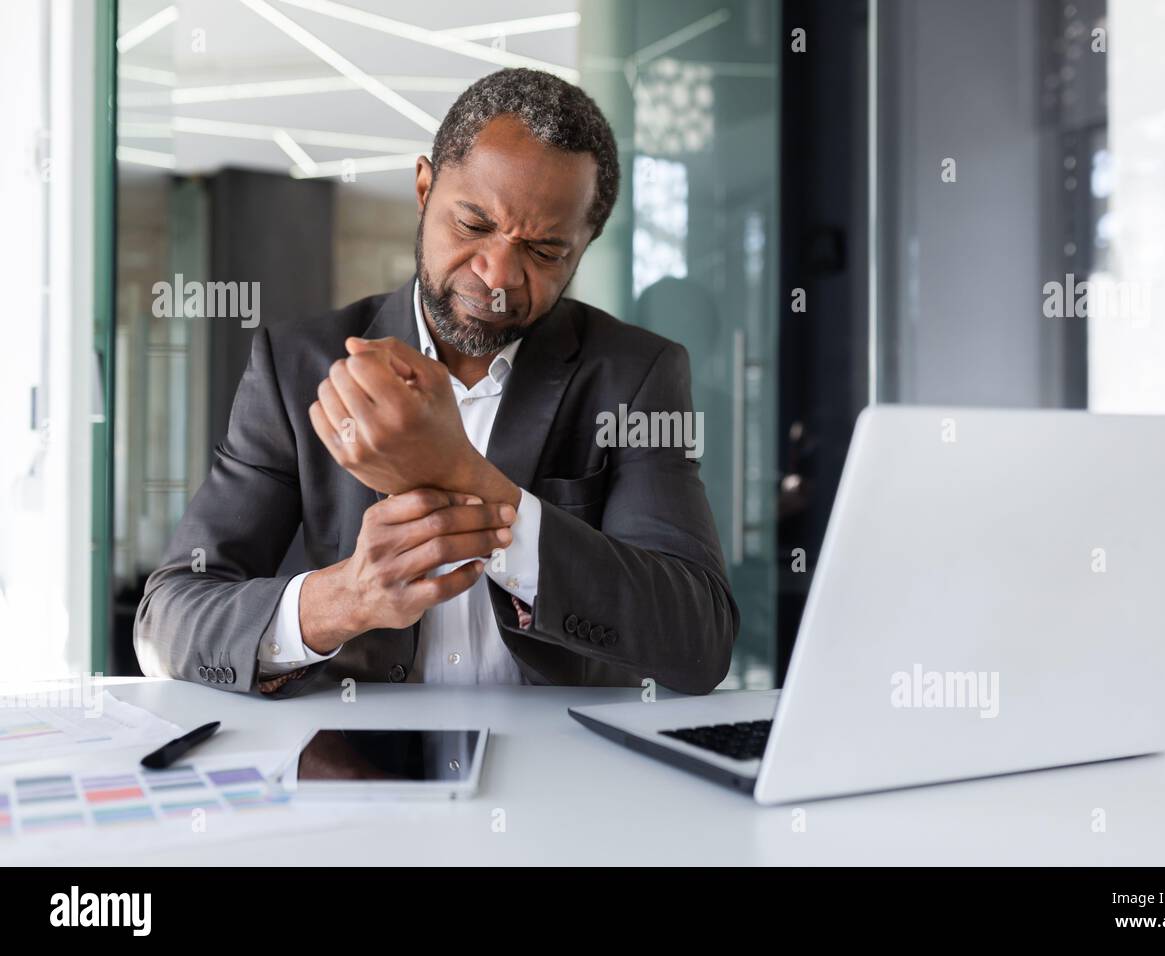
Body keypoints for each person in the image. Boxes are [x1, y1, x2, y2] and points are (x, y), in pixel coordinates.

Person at [134, 68, 738, 698]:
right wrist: (346, 600)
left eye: (545, 251)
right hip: (356, 768)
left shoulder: (635, 374)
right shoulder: (296, 367)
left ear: (584, 247)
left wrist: (464, 480)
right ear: (424, 189)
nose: (497, 274)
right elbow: (168, 621)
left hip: (561, 773)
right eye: (474, 225)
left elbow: (698, 641)